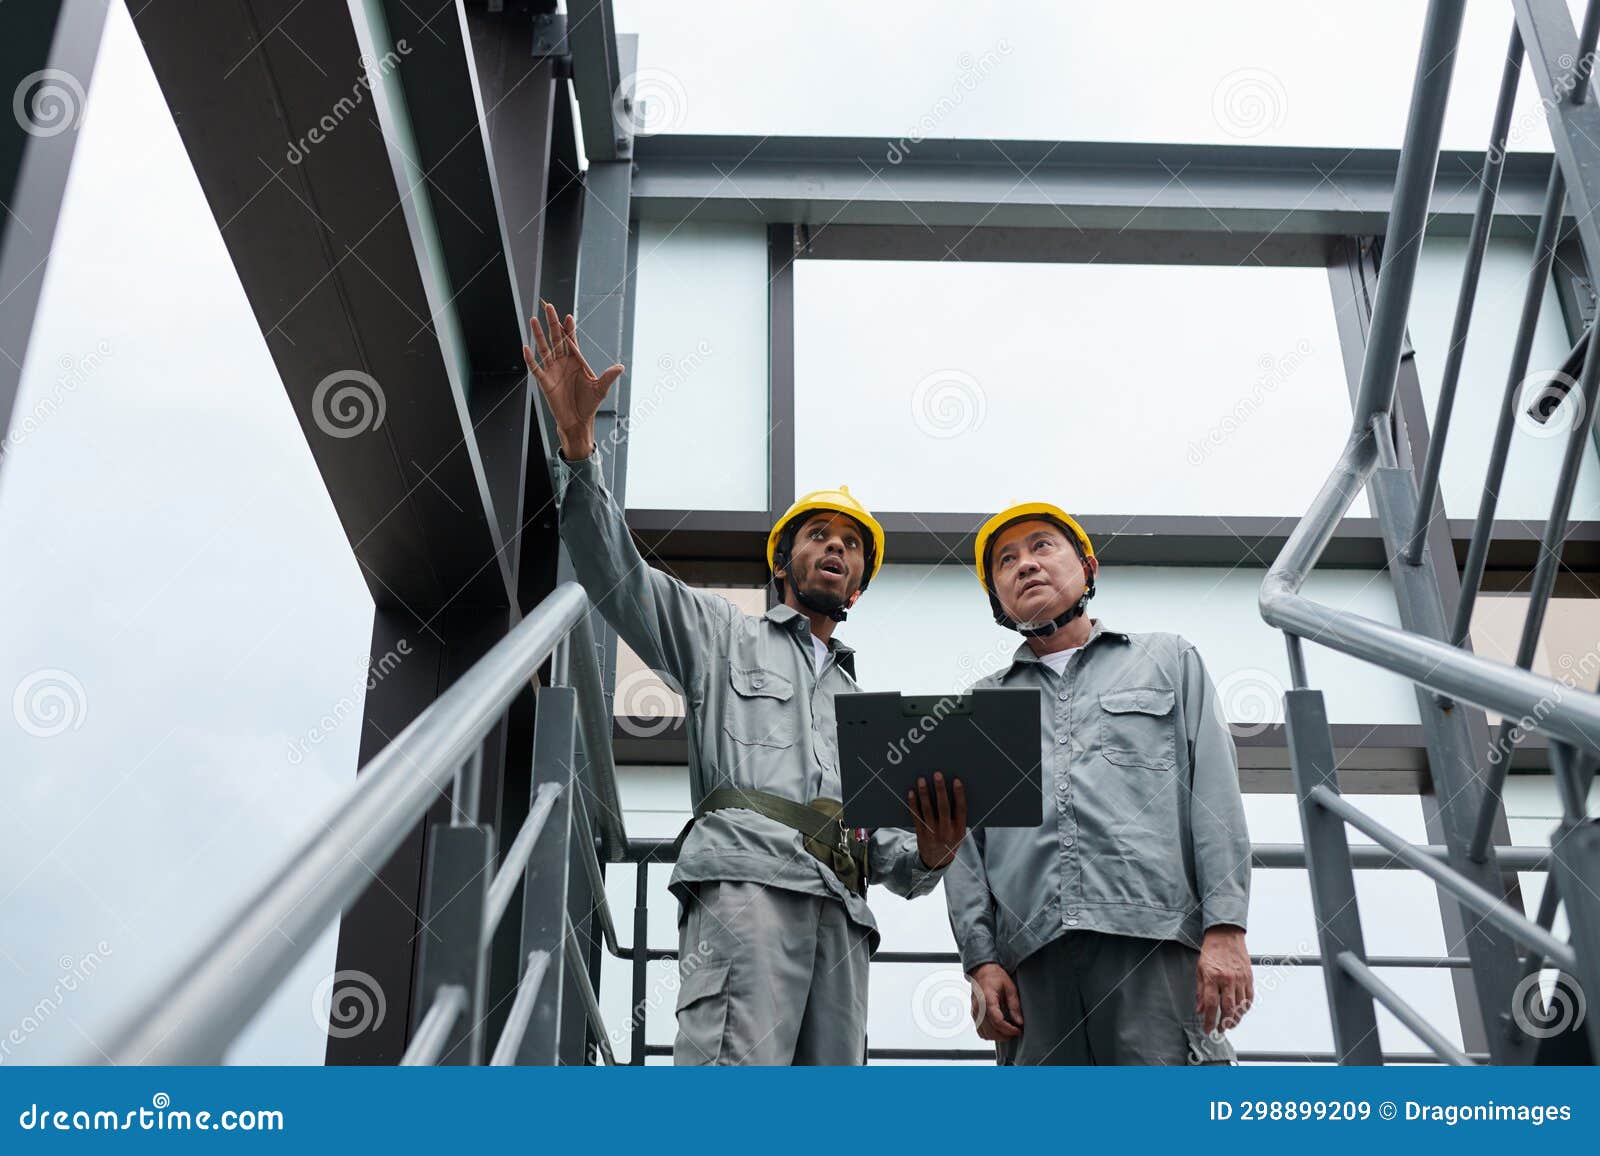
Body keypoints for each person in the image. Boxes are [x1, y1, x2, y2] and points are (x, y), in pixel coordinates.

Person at [522, 303, 966, 1065]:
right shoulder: (721, 634)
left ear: (859, 582)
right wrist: (577, 445)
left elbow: (898, 858)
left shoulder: (871, 713)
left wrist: (934, 850)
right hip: (744, 890)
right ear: (782, 562)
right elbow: (617, 577)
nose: (836, 547)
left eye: (852, 545)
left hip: (844, 918)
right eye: (819, 536)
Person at [944, 501, 1253, 1065]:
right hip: (1031, 966)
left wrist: (1226, 926)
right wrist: (981, 960)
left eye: (1042, 546)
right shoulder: (979, 707)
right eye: (1006, 560)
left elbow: (1214, 796)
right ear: (998, 599)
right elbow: (965, 847)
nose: (1026, 565)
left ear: (1087, 567)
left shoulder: (1167, 660)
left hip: (1154, 942)